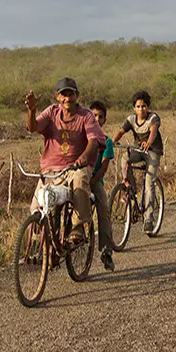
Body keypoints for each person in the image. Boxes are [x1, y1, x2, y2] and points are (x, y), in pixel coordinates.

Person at [25, 77, 106, 244]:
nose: (67, 98)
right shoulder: (52, 112)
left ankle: (78, 226)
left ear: (77, 95)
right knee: (37, 206)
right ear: (57, 97)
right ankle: (43, 244)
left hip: (76, 168)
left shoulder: (86, 115)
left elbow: (94, 140)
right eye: (64, 95)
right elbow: (33, 128)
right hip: (51, 169)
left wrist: (83, 157)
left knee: (80, 181)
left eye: (71, 94)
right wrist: (32, 110)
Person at [112, 90, 162, 234]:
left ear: (148, 106)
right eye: (138, 106)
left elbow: (153, 131)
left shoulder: (153, 118)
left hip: (153, 152)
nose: (141, 109)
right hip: (138, 150)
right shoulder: (131, 119)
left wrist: (148, 142)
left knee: (149, 182)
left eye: (144, 106)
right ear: (134, 108)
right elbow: (121, 132)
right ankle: (130, 187)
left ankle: (148, 219)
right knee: (125, 158)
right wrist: (111, 143)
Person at [88, 100, 116, 271]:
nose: (97, 119)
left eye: (100, 117)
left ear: (104, 120)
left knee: (103, 210)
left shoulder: (107, 141)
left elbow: (103, 168)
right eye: (94, 116)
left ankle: (107, 251)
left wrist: (89, 182)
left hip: (95, 180)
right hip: (78, 177)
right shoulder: (81, 137)